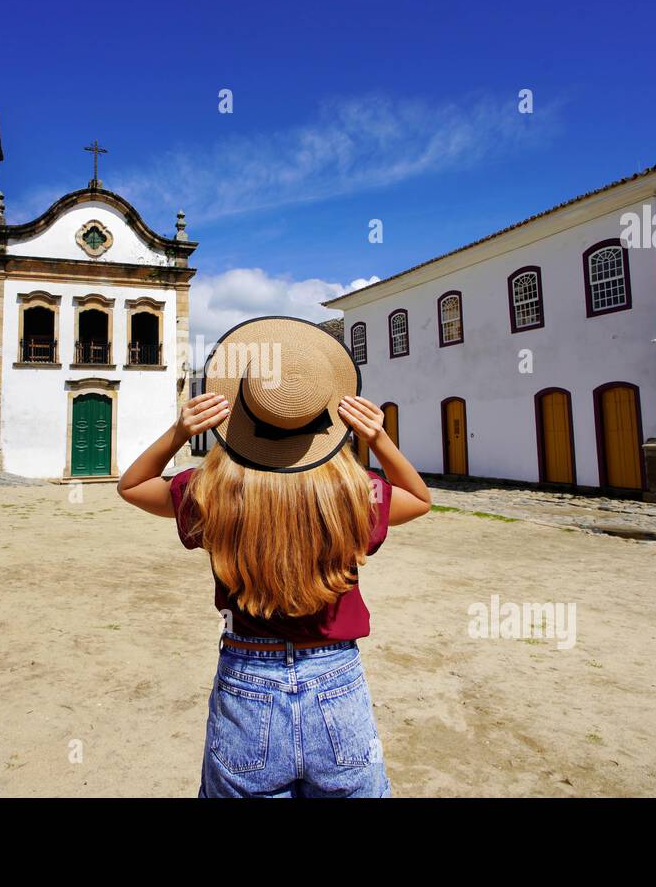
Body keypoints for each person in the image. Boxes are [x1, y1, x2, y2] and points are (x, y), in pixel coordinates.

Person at [117, 316, 432, 797]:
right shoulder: (356, 494)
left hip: (248, 678)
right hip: (336, 679)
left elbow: (133, 486)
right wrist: (379, 439)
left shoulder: (212, 491)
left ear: (239, 417)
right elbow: (421, 497)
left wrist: (179, 432)